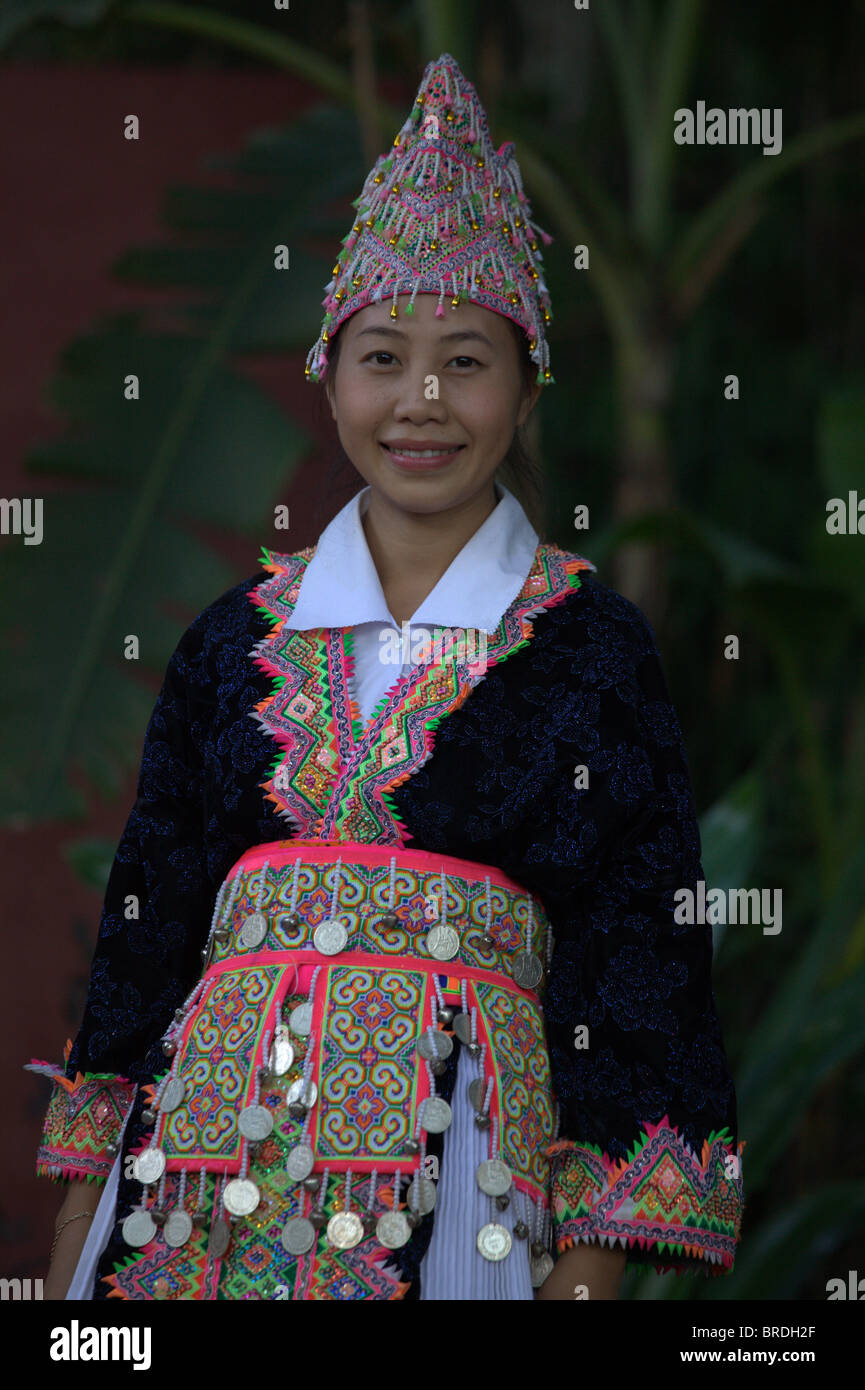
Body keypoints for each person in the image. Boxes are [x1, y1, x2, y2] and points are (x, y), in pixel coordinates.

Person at [31, 52, 744, 1302]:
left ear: (525, 392)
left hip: (469, 1181)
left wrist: (591, 1265)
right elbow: (142, 941)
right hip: (193, 1191)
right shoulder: (230, 638)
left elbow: (637, 966)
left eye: (466, 361)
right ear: (329, 376)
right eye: (382, 357)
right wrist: (76, 1239)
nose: (421, 401)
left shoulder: (589, 646)